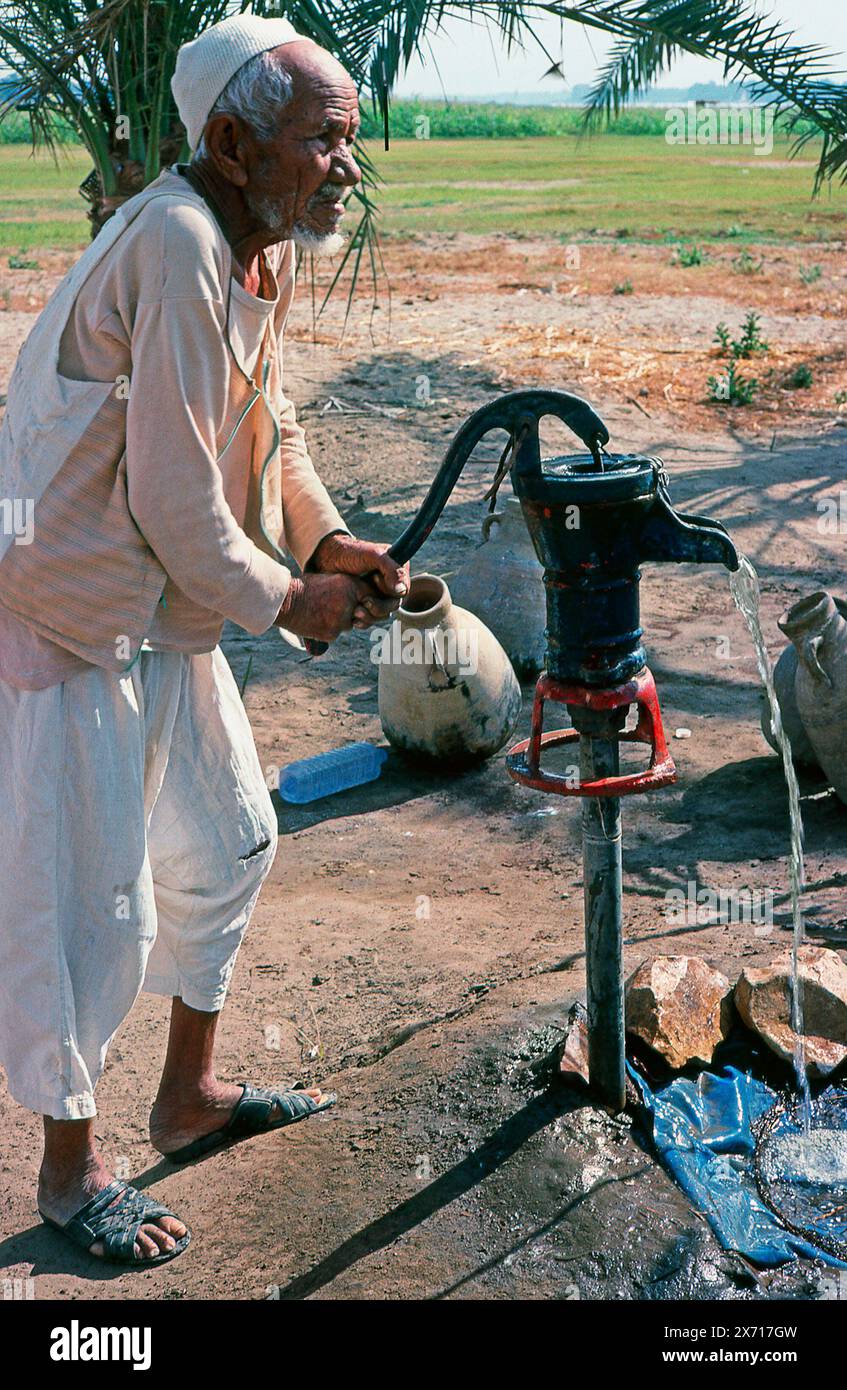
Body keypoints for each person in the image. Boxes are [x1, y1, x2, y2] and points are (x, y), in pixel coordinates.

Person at [0, 12, 408, 1266]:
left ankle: (185, 1098)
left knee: (231, 838)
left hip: (157, 606)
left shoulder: (254, 244)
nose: (348, 164)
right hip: (68, 610)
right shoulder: (176, 241)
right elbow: (180, 503)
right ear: (232, 142)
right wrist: (290, 603)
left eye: (350, 140)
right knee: (90, 911)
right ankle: (70, 1177)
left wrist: (327, 540)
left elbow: (267, 425)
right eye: (324, 140)